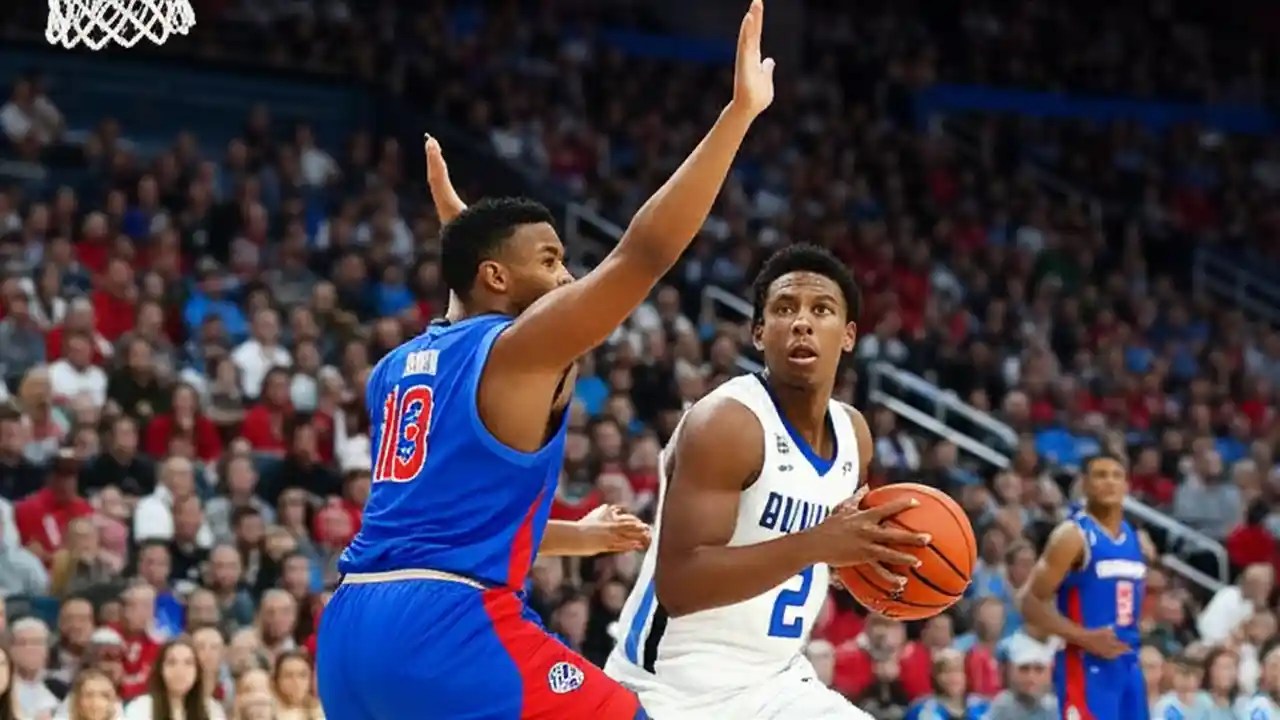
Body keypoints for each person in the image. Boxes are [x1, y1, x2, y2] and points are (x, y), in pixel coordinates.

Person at [315, 2, 777, 717]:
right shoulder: (523, 349)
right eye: (553, 260)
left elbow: (439, 518)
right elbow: (643, 255)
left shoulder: (395, 369)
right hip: (449, 630)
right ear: (497, 279)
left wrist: (575, 536)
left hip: (349, 634)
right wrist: (738, 116)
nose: (567, 278)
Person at [603, 243, 931, 719]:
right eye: (784, 309)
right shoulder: (727, 423)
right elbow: (680, 586)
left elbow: (822, 552)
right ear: (758, 333)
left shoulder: (854, 434)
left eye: (822, 310)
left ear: (849, 336)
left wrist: (859, 562)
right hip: (673, 690)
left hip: (777, 682)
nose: (802, 322)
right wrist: (818, 545)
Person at [1017, 453, 1151, 720]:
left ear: (1127, 486)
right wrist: (1084, 637)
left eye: (1116, 476)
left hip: (1128, 666)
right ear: (1085, 485)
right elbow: (1027, 602)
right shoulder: (1072, 535)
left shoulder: (1134, 537)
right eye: (1100, 475)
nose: (1109, 482)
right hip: (1085, 665)